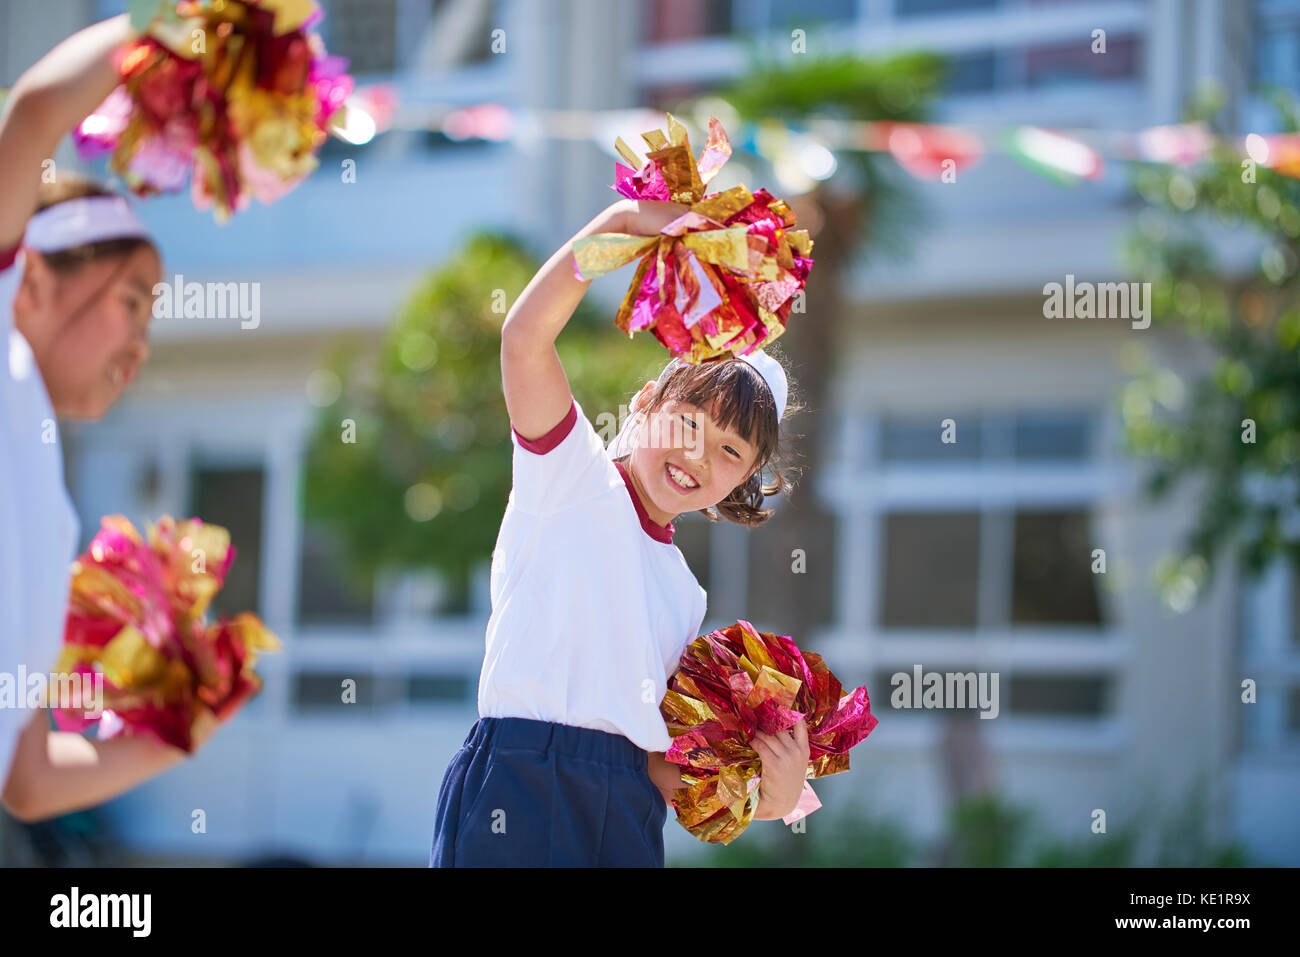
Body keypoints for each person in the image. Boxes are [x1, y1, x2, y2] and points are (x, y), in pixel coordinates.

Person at [429, 197, 813, 867]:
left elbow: (654, 760)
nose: (698, 456)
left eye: (730, 453)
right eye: (689, 422)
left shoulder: (684, 592)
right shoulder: (571, 474)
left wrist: (769, 794)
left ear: (746, 480)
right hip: (519, 786)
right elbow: (524, 340)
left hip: (624, 814)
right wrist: (618, 229)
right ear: (645, 402)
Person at [0, 15, 227, 825]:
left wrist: (179, 730)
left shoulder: (48, 500)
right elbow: (28, 119)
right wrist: (176, 23)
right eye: (130, 303)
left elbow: (25, 777)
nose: (139, 346)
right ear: (30, 282)